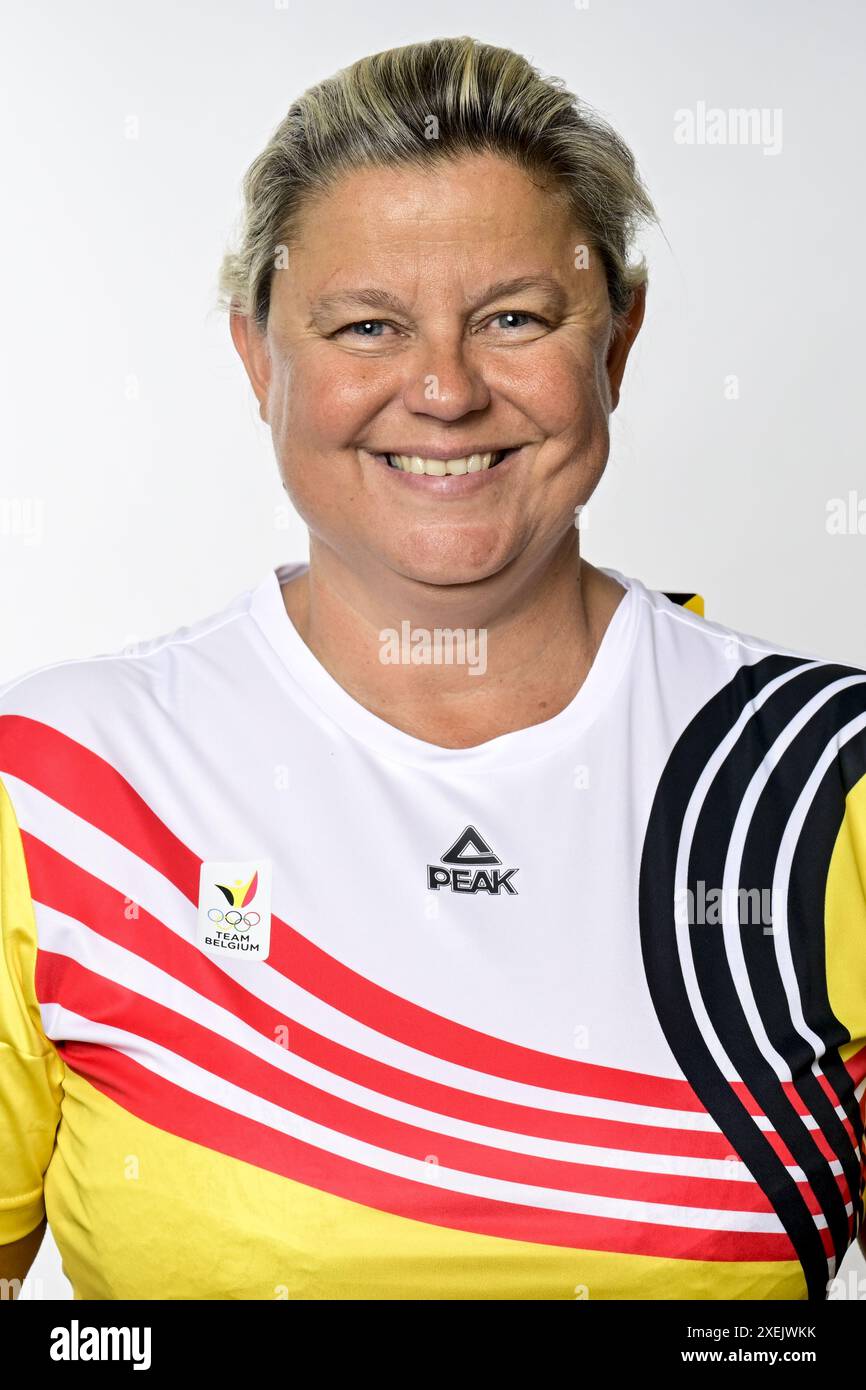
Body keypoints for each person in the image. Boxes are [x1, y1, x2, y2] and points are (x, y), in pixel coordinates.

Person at [1, 35, 864, 1302]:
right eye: (367, 325)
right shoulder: (61, 782)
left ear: (614, 343)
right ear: (257, 360)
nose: (445, 390)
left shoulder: (822, 772)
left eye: (513, 318)